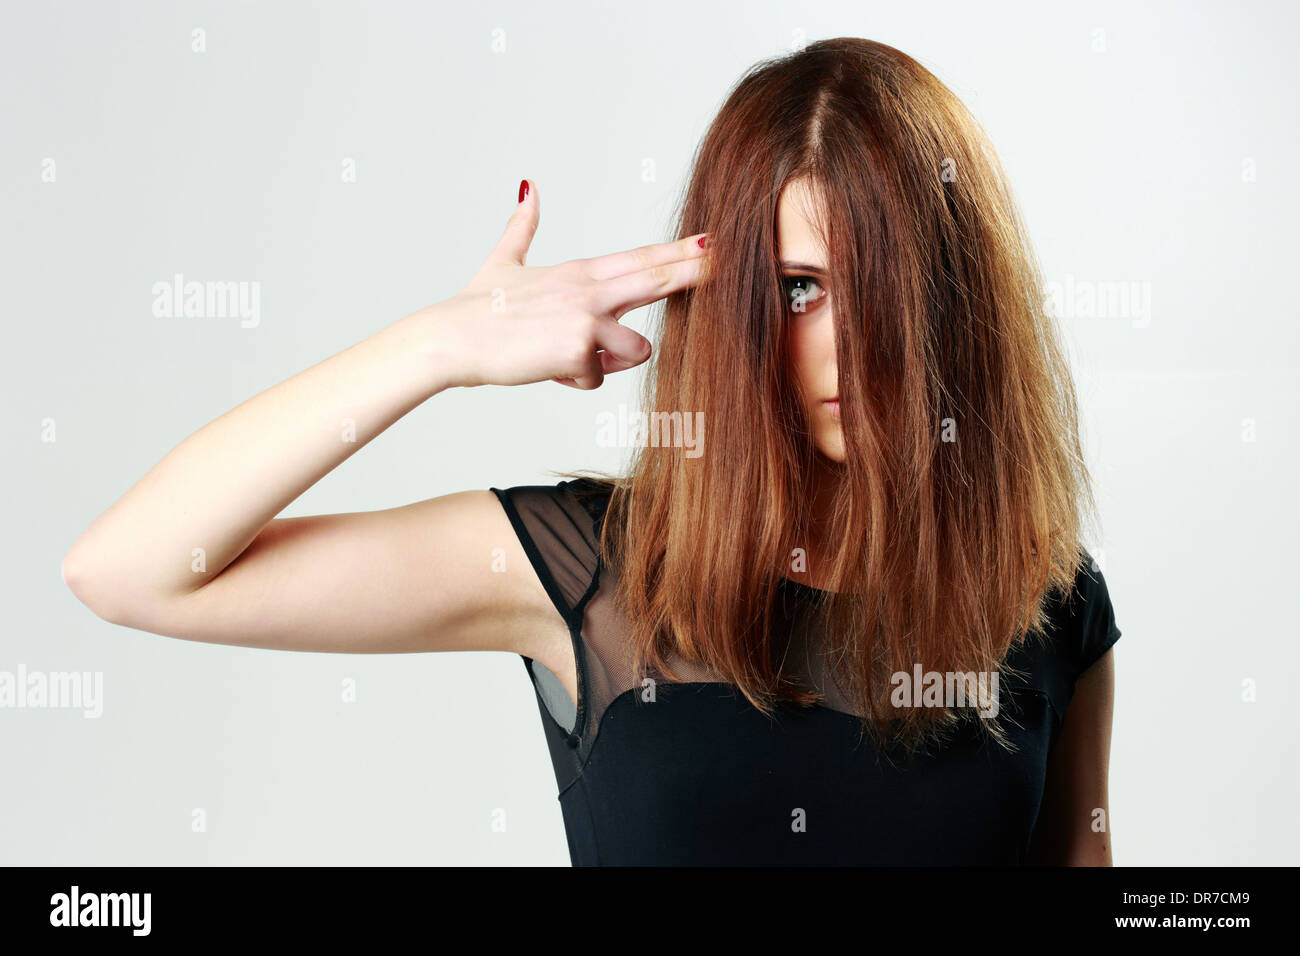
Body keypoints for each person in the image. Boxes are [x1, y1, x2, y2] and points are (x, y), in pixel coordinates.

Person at [62, 37, 1120, 866]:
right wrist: (441, 346)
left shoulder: (1049, 599)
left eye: (881, 285)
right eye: (799, 288)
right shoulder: (591, 572)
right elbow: (131, 571)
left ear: (956, 299)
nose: (846, 342)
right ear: (733, 301)